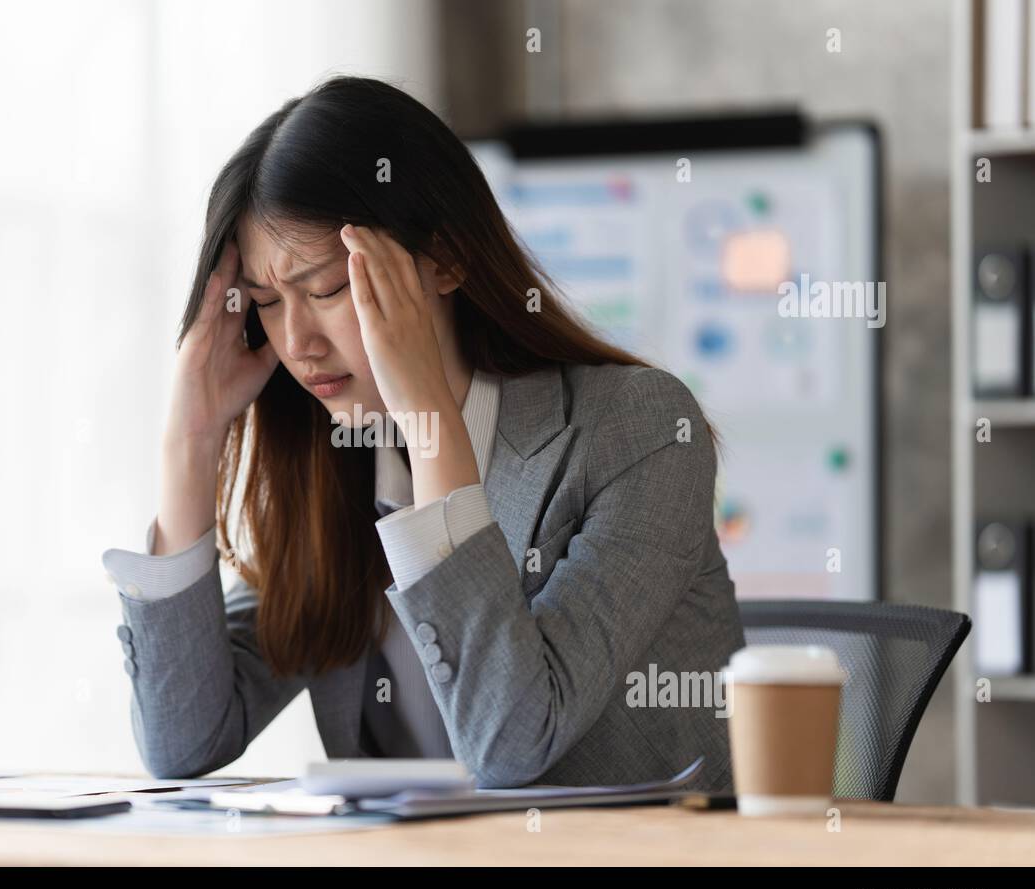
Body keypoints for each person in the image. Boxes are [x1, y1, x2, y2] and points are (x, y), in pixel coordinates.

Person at [102, 75, 743, 789]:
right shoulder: (344, 464)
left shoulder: (641, 431)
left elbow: (511, 741)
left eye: (325, 289)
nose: (297, 342)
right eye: (265, 305)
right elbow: (182, 739)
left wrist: (432, 421)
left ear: (445, 260)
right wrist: (189, 443)